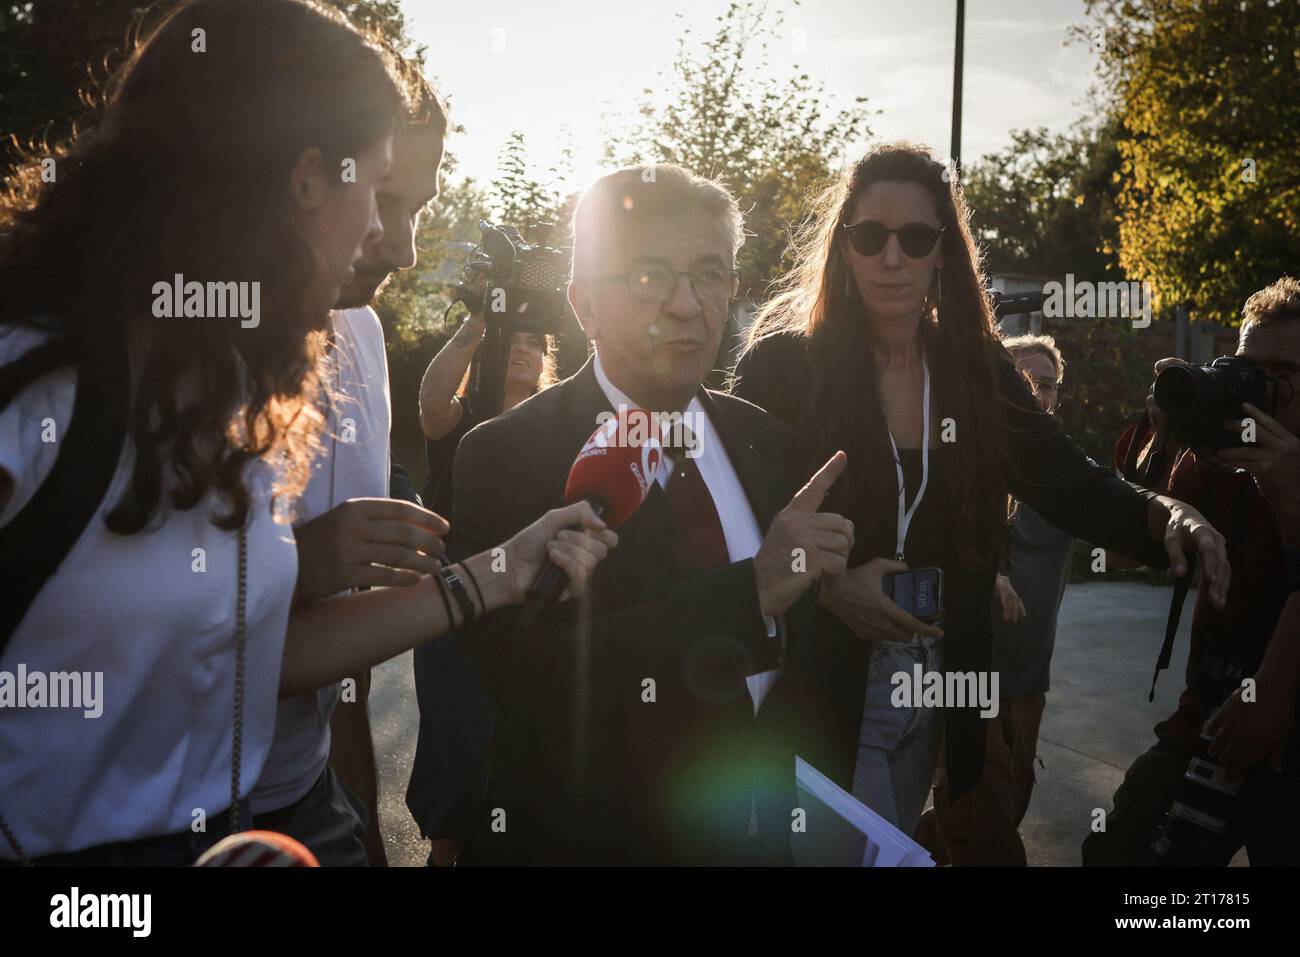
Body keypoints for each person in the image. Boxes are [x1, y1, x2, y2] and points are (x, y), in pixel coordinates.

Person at [0, 0, 613, 866]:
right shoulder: (29, 376)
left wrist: (502, 570)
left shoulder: (252, 380)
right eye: (376, 191)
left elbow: (264, 654)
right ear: (307, 177)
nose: (388, 242)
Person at [729, 141, 1230, 842]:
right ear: (844, 247)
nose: (892, 257)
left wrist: (1166, 513)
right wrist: (825, 586)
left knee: (895, 843)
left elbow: (1067, 479)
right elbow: (733, 520)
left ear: (944, 252)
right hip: (824, 686)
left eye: (917, 237)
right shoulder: (786, 366)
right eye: (870, 236)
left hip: (934, 684)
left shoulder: (974, 370)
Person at [444, 164, 855, 865]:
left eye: (710, 273)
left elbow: (800, 670)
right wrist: (745, 594)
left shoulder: (773, 443)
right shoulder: (507, 454)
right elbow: (529, 679)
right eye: (648, 276)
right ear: (583, 304)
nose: (687, 303)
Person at [249, 65, 451, 867]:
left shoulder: (363, 337)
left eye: (419, 212)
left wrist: (358, 823)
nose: (402, 249)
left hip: (309, 796)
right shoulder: (172, 345)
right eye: (385, 201)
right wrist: (304, 561)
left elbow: (348, 673)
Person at [1082, 276, 1300, 866]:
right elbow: (1140, 550)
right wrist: (1170, 433)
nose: (1258, 388)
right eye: (1247, 367)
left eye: (1283, 372)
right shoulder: (1222, 460)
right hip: (1207, 720)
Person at [409, 296, 556, 866]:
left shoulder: (555, 431)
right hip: (455, 613)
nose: (526, 348)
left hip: (533, 617)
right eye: (514, 339)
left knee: (524, 760)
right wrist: (476, 324)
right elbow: (430, 400)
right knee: (462, 761)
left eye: (536, 345)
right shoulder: (462, 421)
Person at [919, 333, 1075, 866]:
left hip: (1029, 682)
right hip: (970, 677)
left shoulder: (1061, 472)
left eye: (1047, 386)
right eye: (1024, 381)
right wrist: (986, 574)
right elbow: (934, 537)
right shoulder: (965, 458)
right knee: (988, 833)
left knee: (1000, 813)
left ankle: (904, 847)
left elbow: (1122, 515)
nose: (1036, 394)